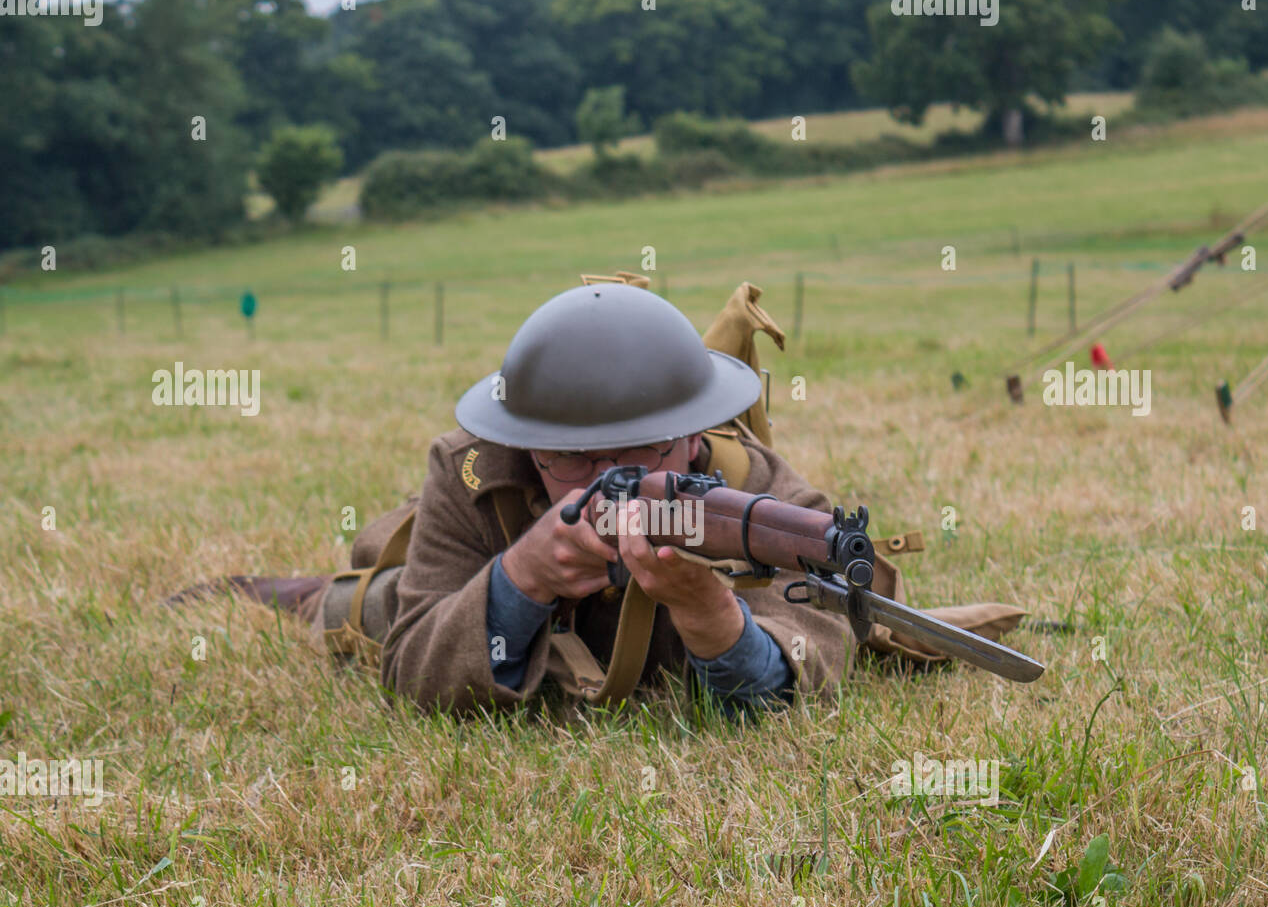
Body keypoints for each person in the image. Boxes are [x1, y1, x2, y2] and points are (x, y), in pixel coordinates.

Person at [181, 280, 1026, 715]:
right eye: (571, 462)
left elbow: (805, 664)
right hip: (459, 592)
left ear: (696, 431)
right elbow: (413, 670)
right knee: (362, 602)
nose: (607, 482)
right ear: (527, 447)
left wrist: (710, 616)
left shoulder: (753, 493)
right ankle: (269, 588)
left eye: (642, 454)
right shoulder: (475, 472)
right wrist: (523, 575)